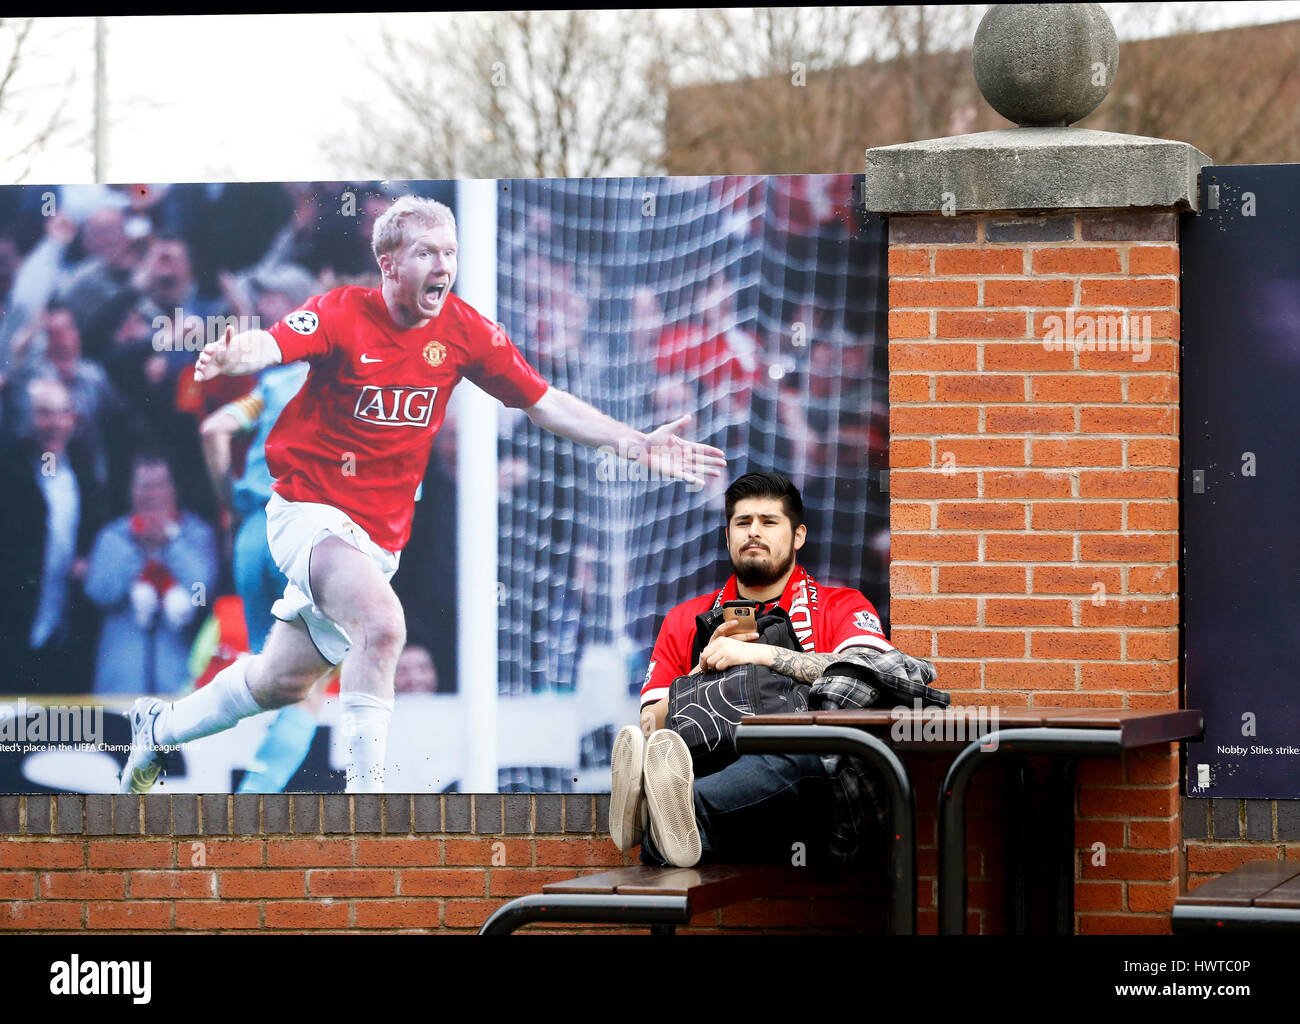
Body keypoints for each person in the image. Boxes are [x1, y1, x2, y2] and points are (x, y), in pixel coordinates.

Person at [120, 194, 726, 794]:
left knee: (279, 682)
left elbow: (543, 403)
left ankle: (160, 727)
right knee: (382, 625)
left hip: (379, 537)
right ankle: (365, 810)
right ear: (388, 264)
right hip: (306, 509)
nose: (442, 265)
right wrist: (234, 351)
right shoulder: (342, 312)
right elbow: (275, 342)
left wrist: (634, 443)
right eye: (425, 252)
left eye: (450, 252)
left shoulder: (464, 331)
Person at [610, 470, 891, 869]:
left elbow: (870, 674)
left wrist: (759, 656)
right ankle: (669, 824)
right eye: (743, 523)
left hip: (814, 793)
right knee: (689, 780)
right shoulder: (685, 618)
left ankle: (654, 816)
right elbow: (652, 723)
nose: (753, 532)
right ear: (727, 537)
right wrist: (699, 676)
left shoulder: (842, 604)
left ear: (798, 536)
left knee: (793, 754)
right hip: (719, 776)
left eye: (768, 521)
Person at [0, 377, 105, 693]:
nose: (54, 424)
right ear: (29, 418)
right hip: (13, 630)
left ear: (73, 419)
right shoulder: (9, 470)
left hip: (65, 635)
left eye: (62, 413)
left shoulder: (85, 475)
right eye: (44, 413)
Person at [84, 455, 218, 695]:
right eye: (144, 485)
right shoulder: (113, 536)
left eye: (159, 484)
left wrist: (172, 544)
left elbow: (202, 592)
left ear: (174, 489)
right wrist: (135, 551)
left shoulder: (196, 533)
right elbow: (100, 593)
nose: (152, 494)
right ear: (131, 491)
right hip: (121, 678)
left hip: (177, 675)